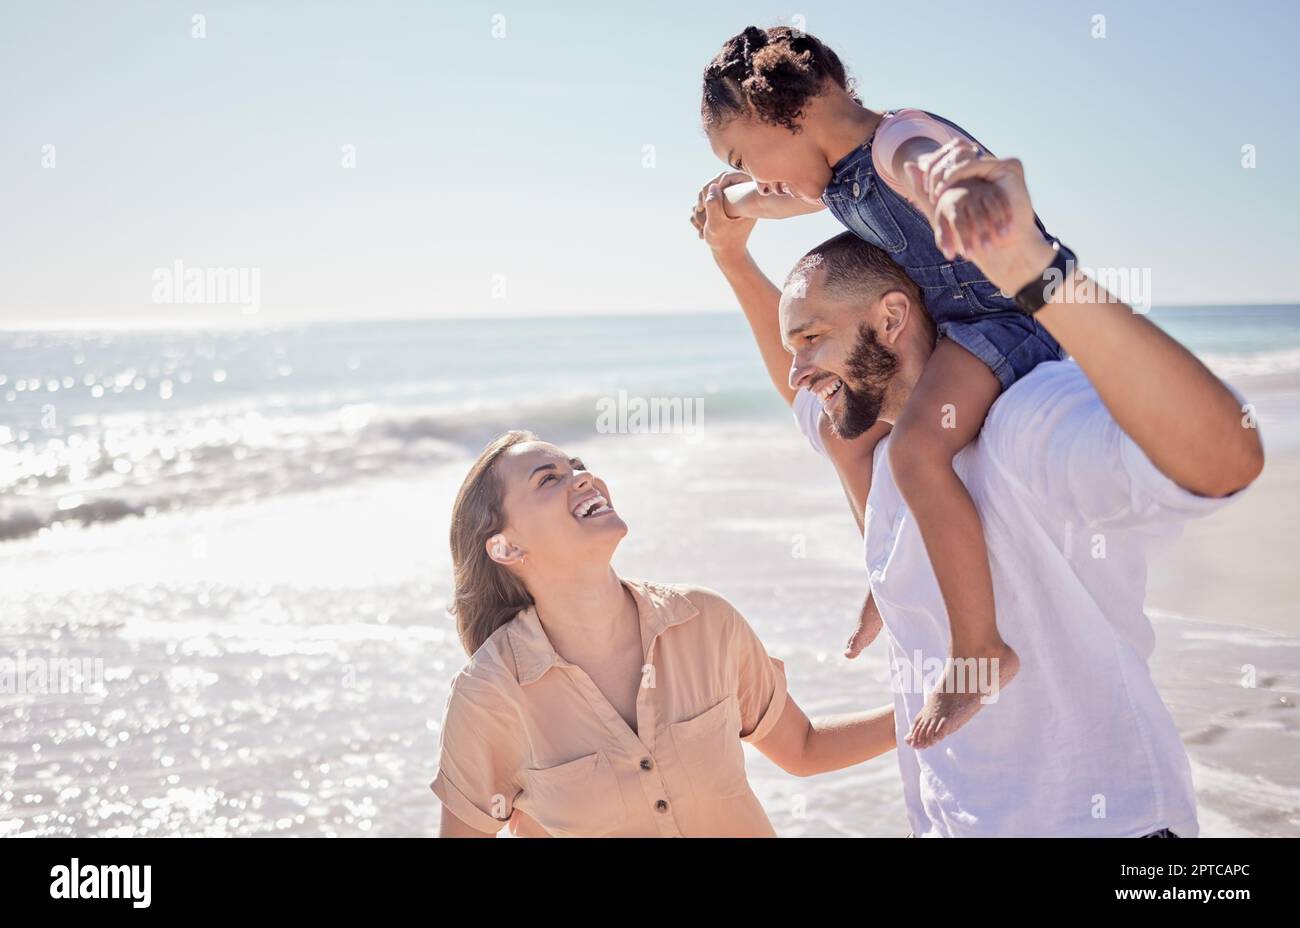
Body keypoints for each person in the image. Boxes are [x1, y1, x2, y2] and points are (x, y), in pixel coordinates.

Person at [692, 143, 1264, 837]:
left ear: (893, 319)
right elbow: (799, 383)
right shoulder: (878, 439)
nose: (799, 372)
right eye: (795, 350)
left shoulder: (1023, 420)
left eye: (812, 338)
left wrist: (1040, 273)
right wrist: (731, 257)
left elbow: (1226, 456)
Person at [699, 24, 1074, 747]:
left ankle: (980, 650)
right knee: (856, 430)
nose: (755, 175)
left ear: (783, 109)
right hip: (960, 326)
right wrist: (732, 203)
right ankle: (894, 575)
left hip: (1009, 316)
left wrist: (959, 189)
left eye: (743, 155)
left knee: (914, 455)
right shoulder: (837, 179)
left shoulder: (896, 142)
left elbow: (938, 162)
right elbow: (777, 197)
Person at [431, 431, 897, 837]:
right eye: (548, 479)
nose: (582, 477)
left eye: (578, 466)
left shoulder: (704, 621)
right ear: (506, 546)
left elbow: (802, 747)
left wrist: (942, 703)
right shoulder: (490, 694)